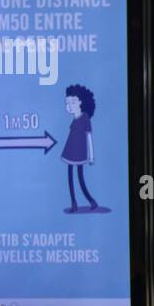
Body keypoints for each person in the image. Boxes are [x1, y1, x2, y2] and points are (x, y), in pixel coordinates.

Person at [61, 84, 98, 212]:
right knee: (70, 179)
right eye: (67, 102)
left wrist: (91, 157)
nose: (69, 105)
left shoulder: (85, 119)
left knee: (80, 178)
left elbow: (89, 138)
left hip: (80, 153)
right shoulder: (75, 119)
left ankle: (91, 201)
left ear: (80, 102)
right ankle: (74, 203)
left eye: (72, 102)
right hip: (69, 151)